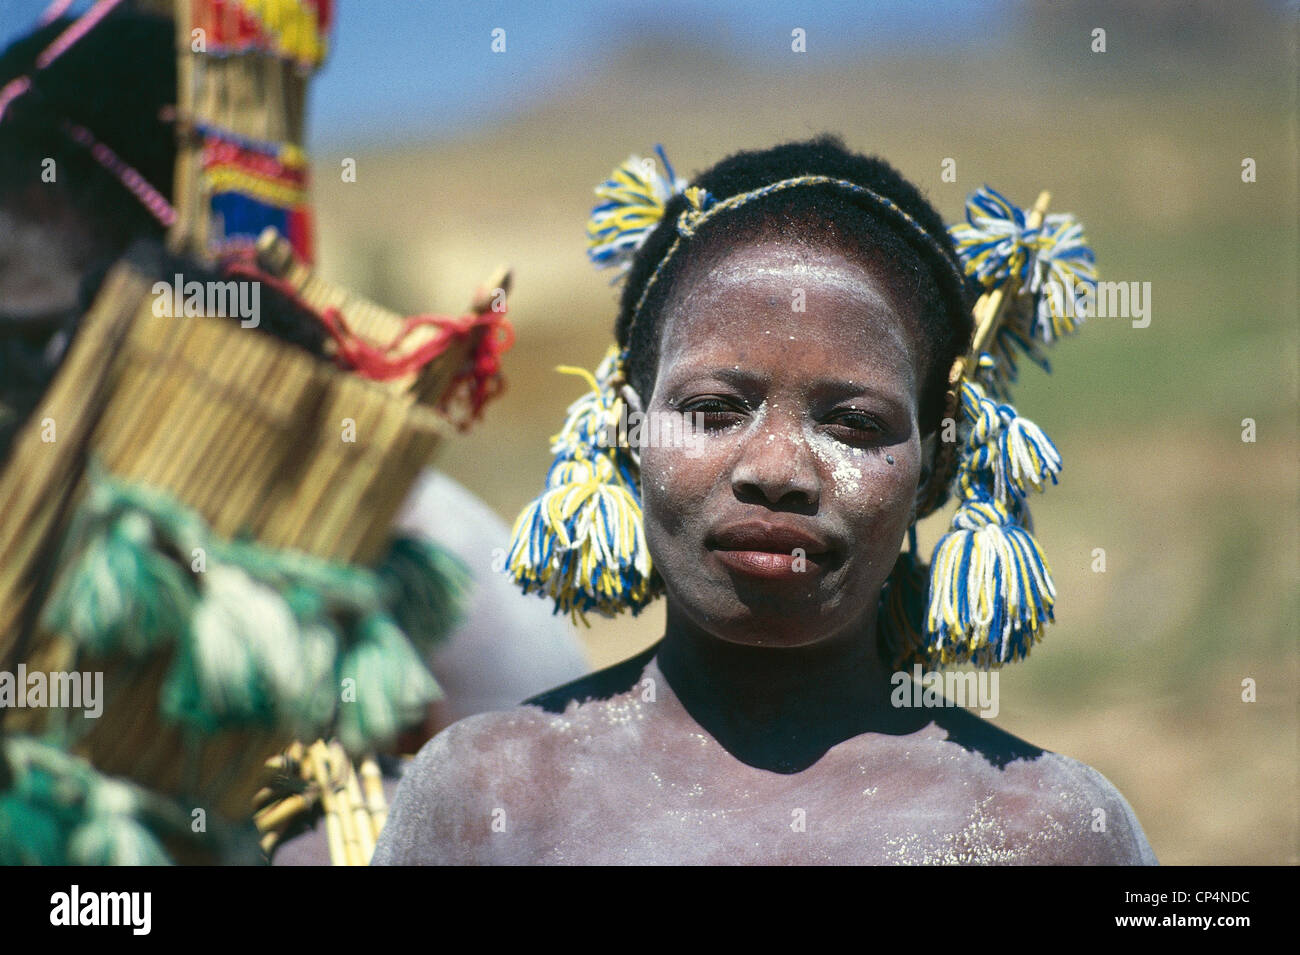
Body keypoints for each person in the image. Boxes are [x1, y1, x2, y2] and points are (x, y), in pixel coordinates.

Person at [372, 136, 1158, 865]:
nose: (778, 468)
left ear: (937, 463)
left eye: (853, 423)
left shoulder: (1050, 829)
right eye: (713, 411)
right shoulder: (485, 794)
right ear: (626, 431)